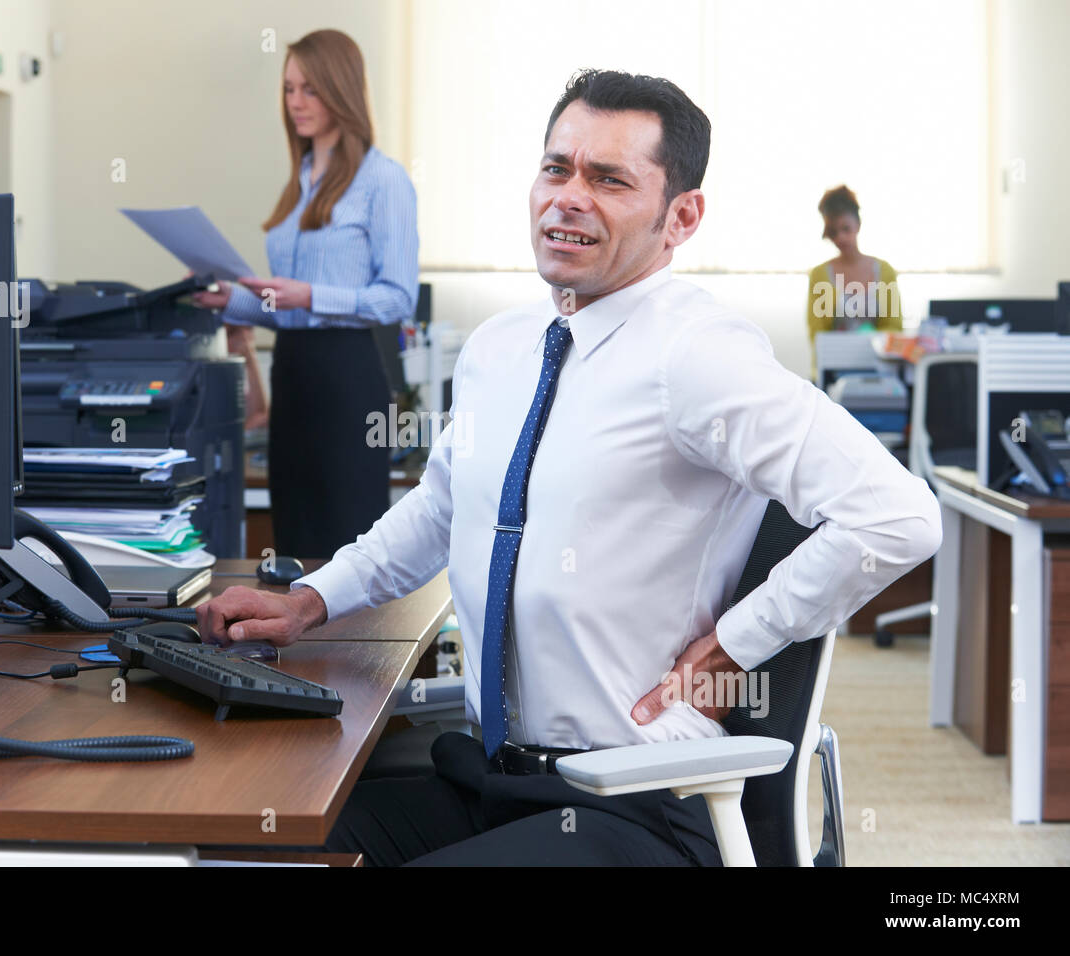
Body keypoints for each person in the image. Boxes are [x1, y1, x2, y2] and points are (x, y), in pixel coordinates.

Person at [194, 70, 942, 866]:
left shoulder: (697, 354)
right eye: (557, 168)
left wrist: (736, 641)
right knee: (251, 843)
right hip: (491, 778)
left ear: (681, 216)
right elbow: (441, 508)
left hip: (635, 797)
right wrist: (312, 599)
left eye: (609, 179)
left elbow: (898, 515)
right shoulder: (500, 347)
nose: (569, 196)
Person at [195, 29, 418, 558]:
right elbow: (284, 307)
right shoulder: (300, 180)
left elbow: (397, 297)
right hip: (292, 374)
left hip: (347, 378)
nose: (296, 102)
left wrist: (311, 295)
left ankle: (355, 646)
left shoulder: (384, 180)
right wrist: (232, 298)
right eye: (289, 88)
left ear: (341, 90)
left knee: (346, 543)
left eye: (310, 89)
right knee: (294, 540)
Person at [806, 185, 903, 378]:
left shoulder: (885, 272)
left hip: (880, 369)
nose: (841, 238)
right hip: (835, 371)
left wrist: (869, 342)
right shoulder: (819, 275)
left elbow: (894, 327)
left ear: (858, 225)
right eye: (833, 232)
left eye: (845, 229)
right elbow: (817, 334)